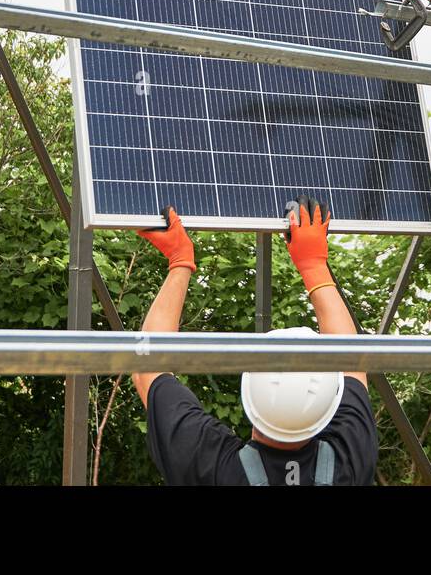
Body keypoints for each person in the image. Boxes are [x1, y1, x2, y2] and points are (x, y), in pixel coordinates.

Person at [131, 200, 378, 485]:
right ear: (328, 404)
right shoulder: (349, 463)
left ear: (249, 391)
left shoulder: (216, 468)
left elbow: (147, 365)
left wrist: (181, 261)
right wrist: (313, 265)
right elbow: (352, 364)